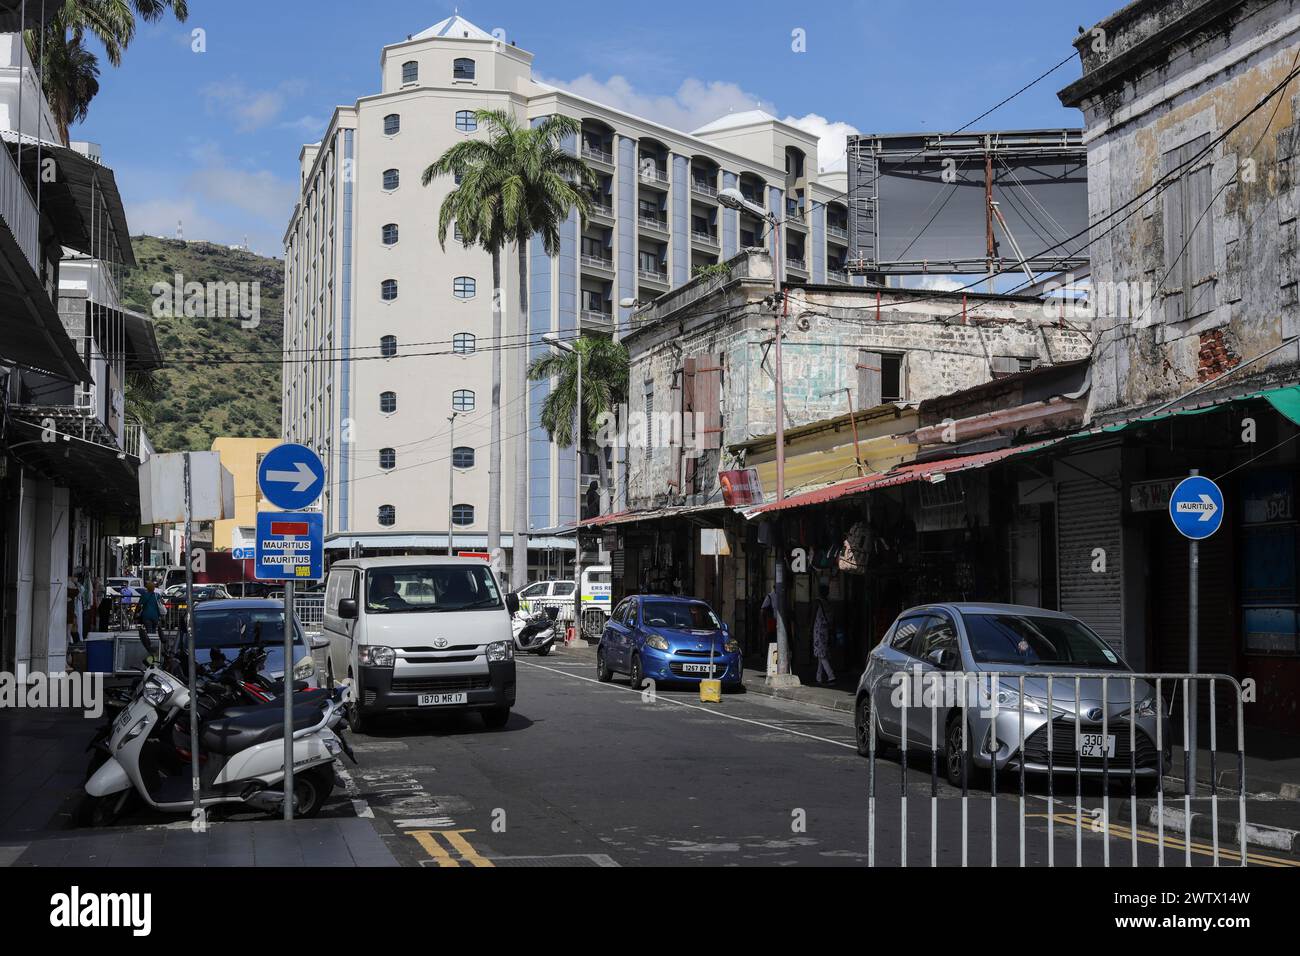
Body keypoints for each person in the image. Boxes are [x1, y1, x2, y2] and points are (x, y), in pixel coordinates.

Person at [812, 583, 836, 686]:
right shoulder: (828, 603)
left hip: (818, 630)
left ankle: (831, 676)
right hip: (826, 630)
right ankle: (818, 677)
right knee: (821, 653)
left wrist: (809, 627)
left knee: (821, 655)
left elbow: (813, 615)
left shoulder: (817, 602)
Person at [137, 580, 167, 656]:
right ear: (154, 588)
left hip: (146, 616)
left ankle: (149, 649)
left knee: (148, 631)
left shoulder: (144, 595)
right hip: (155, 616)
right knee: (153, 630)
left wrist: (136, 614)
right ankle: (154, 647)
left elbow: (139, 605)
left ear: (147, 588)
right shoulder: (157, 595)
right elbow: (162, 602)